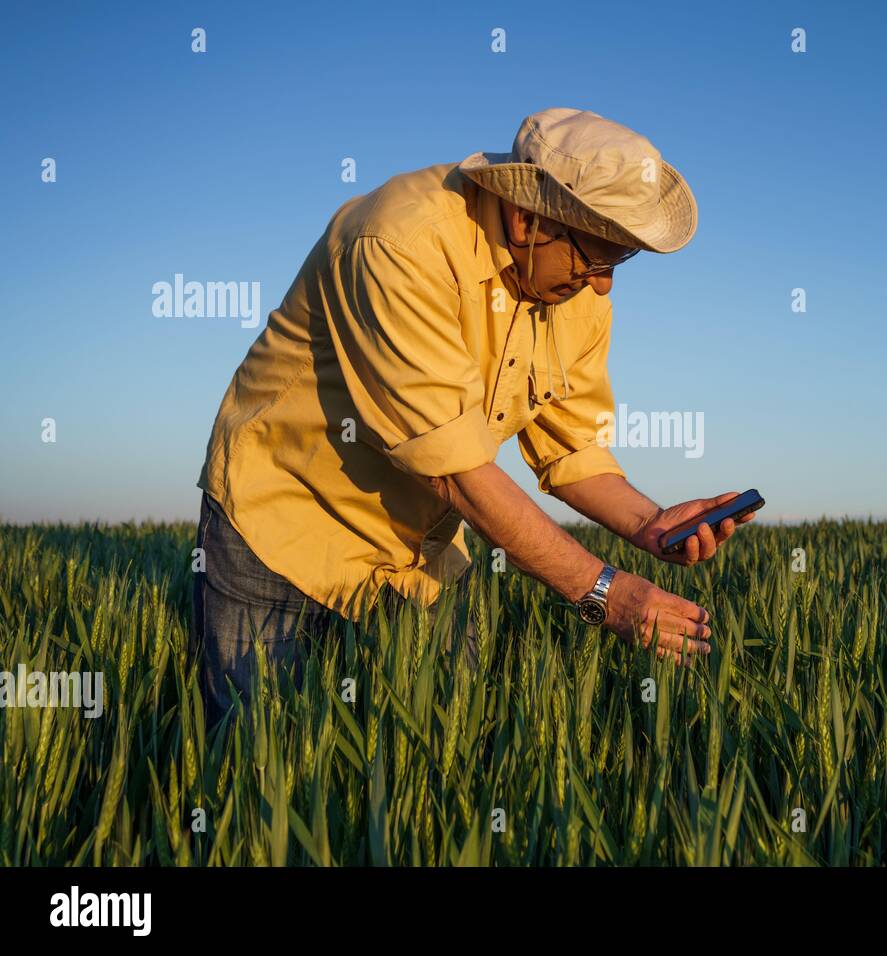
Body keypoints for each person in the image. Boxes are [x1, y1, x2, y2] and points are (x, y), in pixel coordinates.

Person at [190, 107, 753, 720]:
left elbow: (571, 452)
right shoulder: (399, 243)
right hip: (285, 526)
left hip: (420, 556)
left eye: (617, 264)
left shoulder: (575, 295)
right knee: (254, 762)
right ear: (525, 216)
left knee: (447, 758)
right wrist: (605, 595)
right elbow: (453, 471)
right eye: (594, 259)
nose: (603, 287)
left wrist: (651, 523)